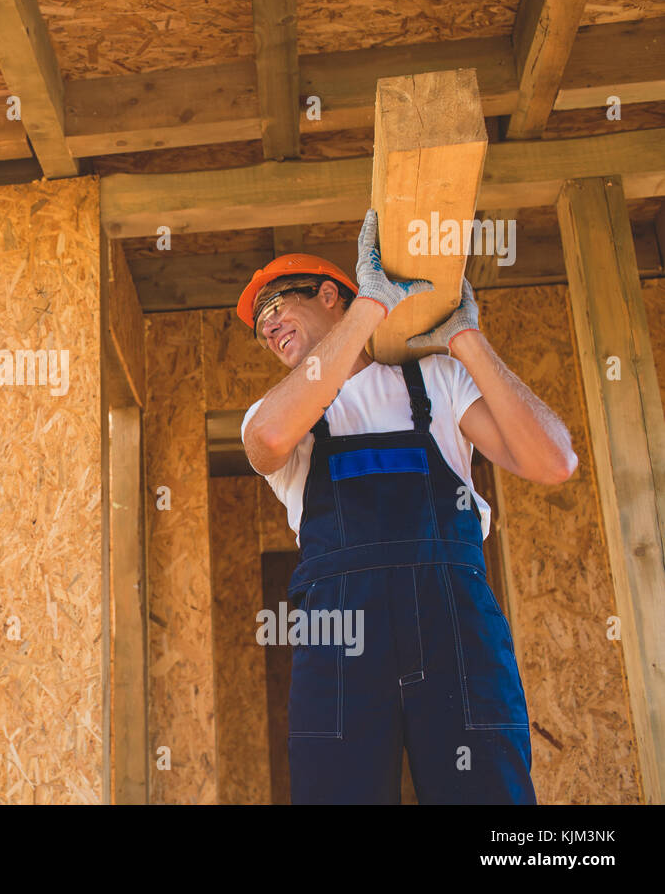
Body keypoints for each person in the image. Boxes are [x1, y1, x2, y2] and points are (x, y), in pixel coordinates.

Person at [239, 209, 577, 804]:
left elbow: (553, 463)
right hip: (338, 636)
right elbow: (266, 441)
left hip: (456, 627)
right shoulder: (283, 416)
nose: (268, 330)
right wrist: (372, 305)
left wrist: (467, 339)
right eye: (260, 329)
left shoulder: (439, 381)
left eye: (275, 310)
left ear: (327, 295)